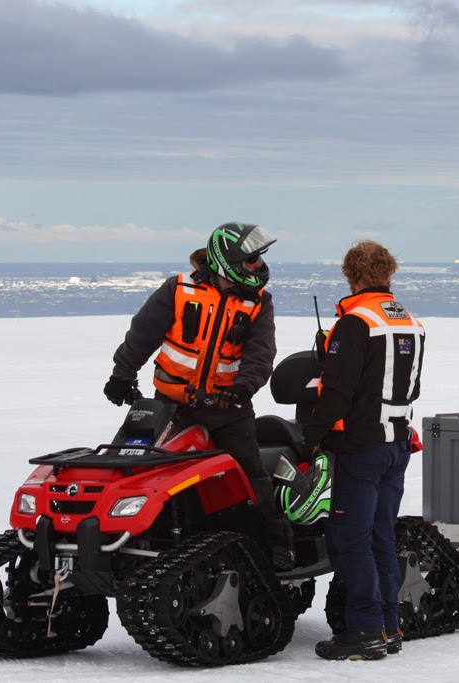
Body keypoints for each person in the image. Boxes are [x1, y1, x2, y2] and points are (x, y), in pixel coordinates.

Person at [102, 222, 296, 571]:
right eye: (251, 260)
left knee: (249, 474)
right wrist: (122, 375)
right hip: (170, 405)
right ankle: (114, 539)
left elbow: (260, 352)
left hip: (226, 408)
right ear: (226, 260)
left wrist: (242, 388)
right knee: (129, 464)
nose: (258, 266)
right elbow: (142, 333)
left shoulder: (258, 304)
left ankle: (278, 546)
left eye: (258, 259)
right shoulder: (177, 289)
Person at [301, 240, 426, 661]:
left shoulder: (355, 323)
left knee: (350, 539)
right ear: (388, 273)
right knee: (380, 537)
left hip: (360, 448)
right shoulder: (410, 322)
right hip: (397, 443)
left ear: (351, 274)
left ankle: (365, 631)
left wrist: (312, 435)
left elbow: (337, 393)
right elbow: (410, 386)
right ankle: (389, 626)